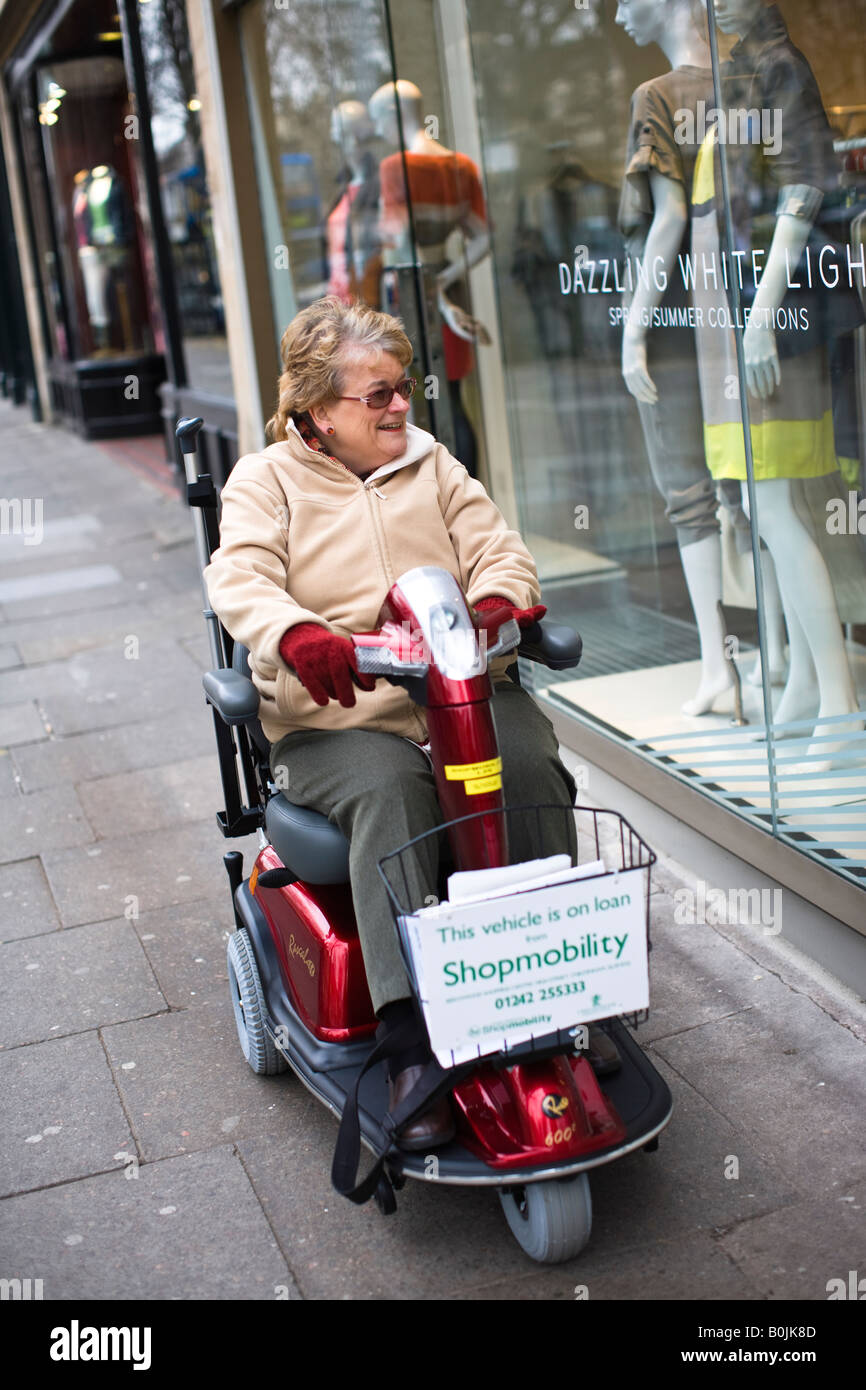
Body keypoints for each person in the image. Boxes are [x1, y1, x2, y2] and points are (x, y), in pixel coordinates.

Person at [203, 296, 615, 1150]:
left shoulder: (433, 463)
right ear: (318, 412)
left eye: (404, 389)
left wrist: (502, 596)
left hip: (462, 691)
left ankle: (560, 995)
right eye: (378, 394)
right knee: (394, 795)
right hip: (340, 715)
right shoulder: (265, 481)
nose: (401, 407)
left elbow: (498, 544)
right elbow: (238, 578)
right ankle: (408, 1040)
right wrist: (297, 633)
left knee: (530, 768)